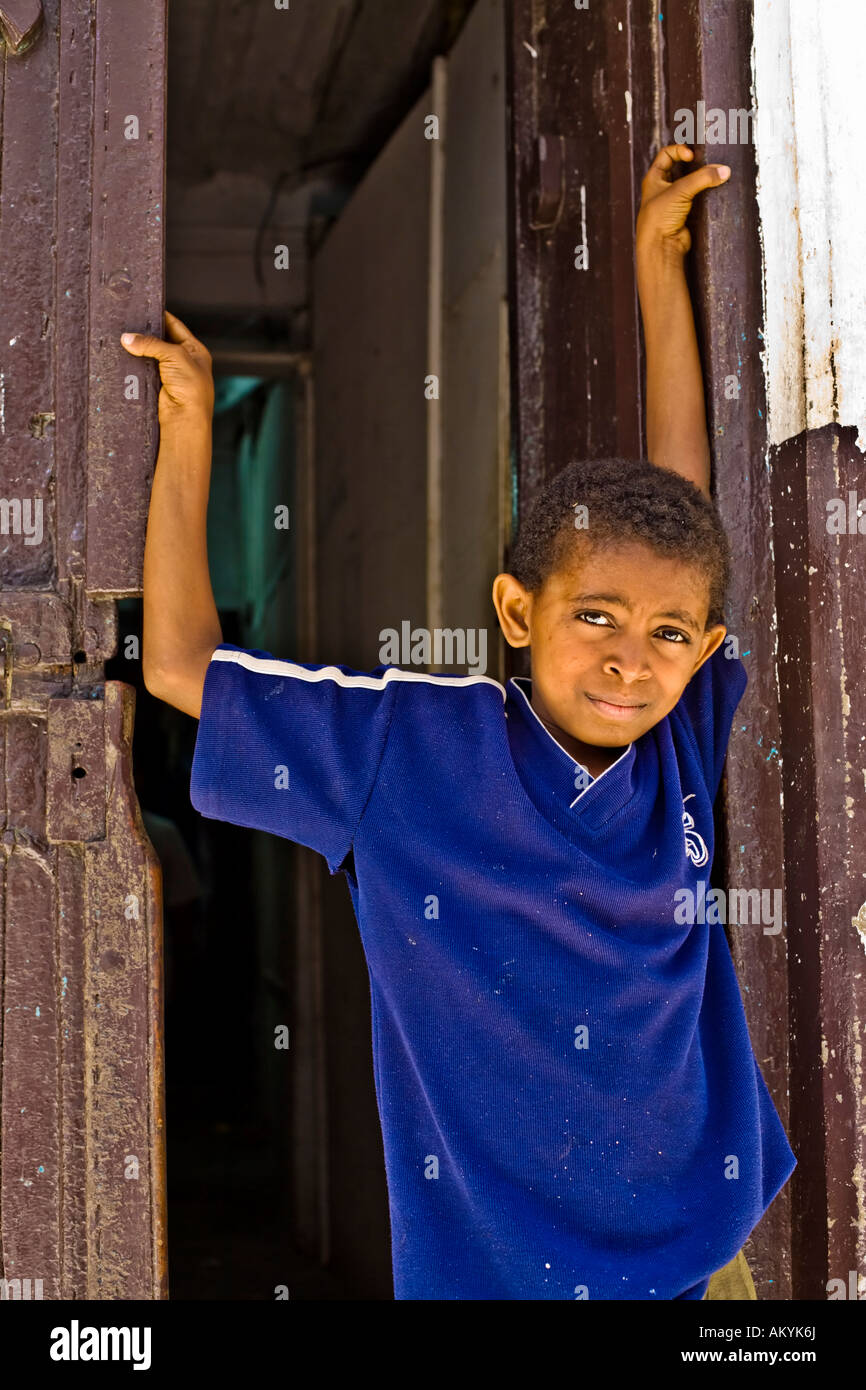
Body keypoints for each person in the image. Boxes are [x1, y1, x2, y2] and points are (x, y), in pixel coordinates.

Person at [123, 145, 795, 1300]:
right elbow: (183, 668)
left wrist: (650, 263)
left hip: (698, 1249)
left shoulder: (673, 742)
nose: (633, 659)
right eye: (594, 617)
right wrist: (190, 426)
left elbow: (684, 521)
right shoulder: (403, 748)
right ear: (515, 613)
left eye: (671, 635)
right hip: (496, 1273)